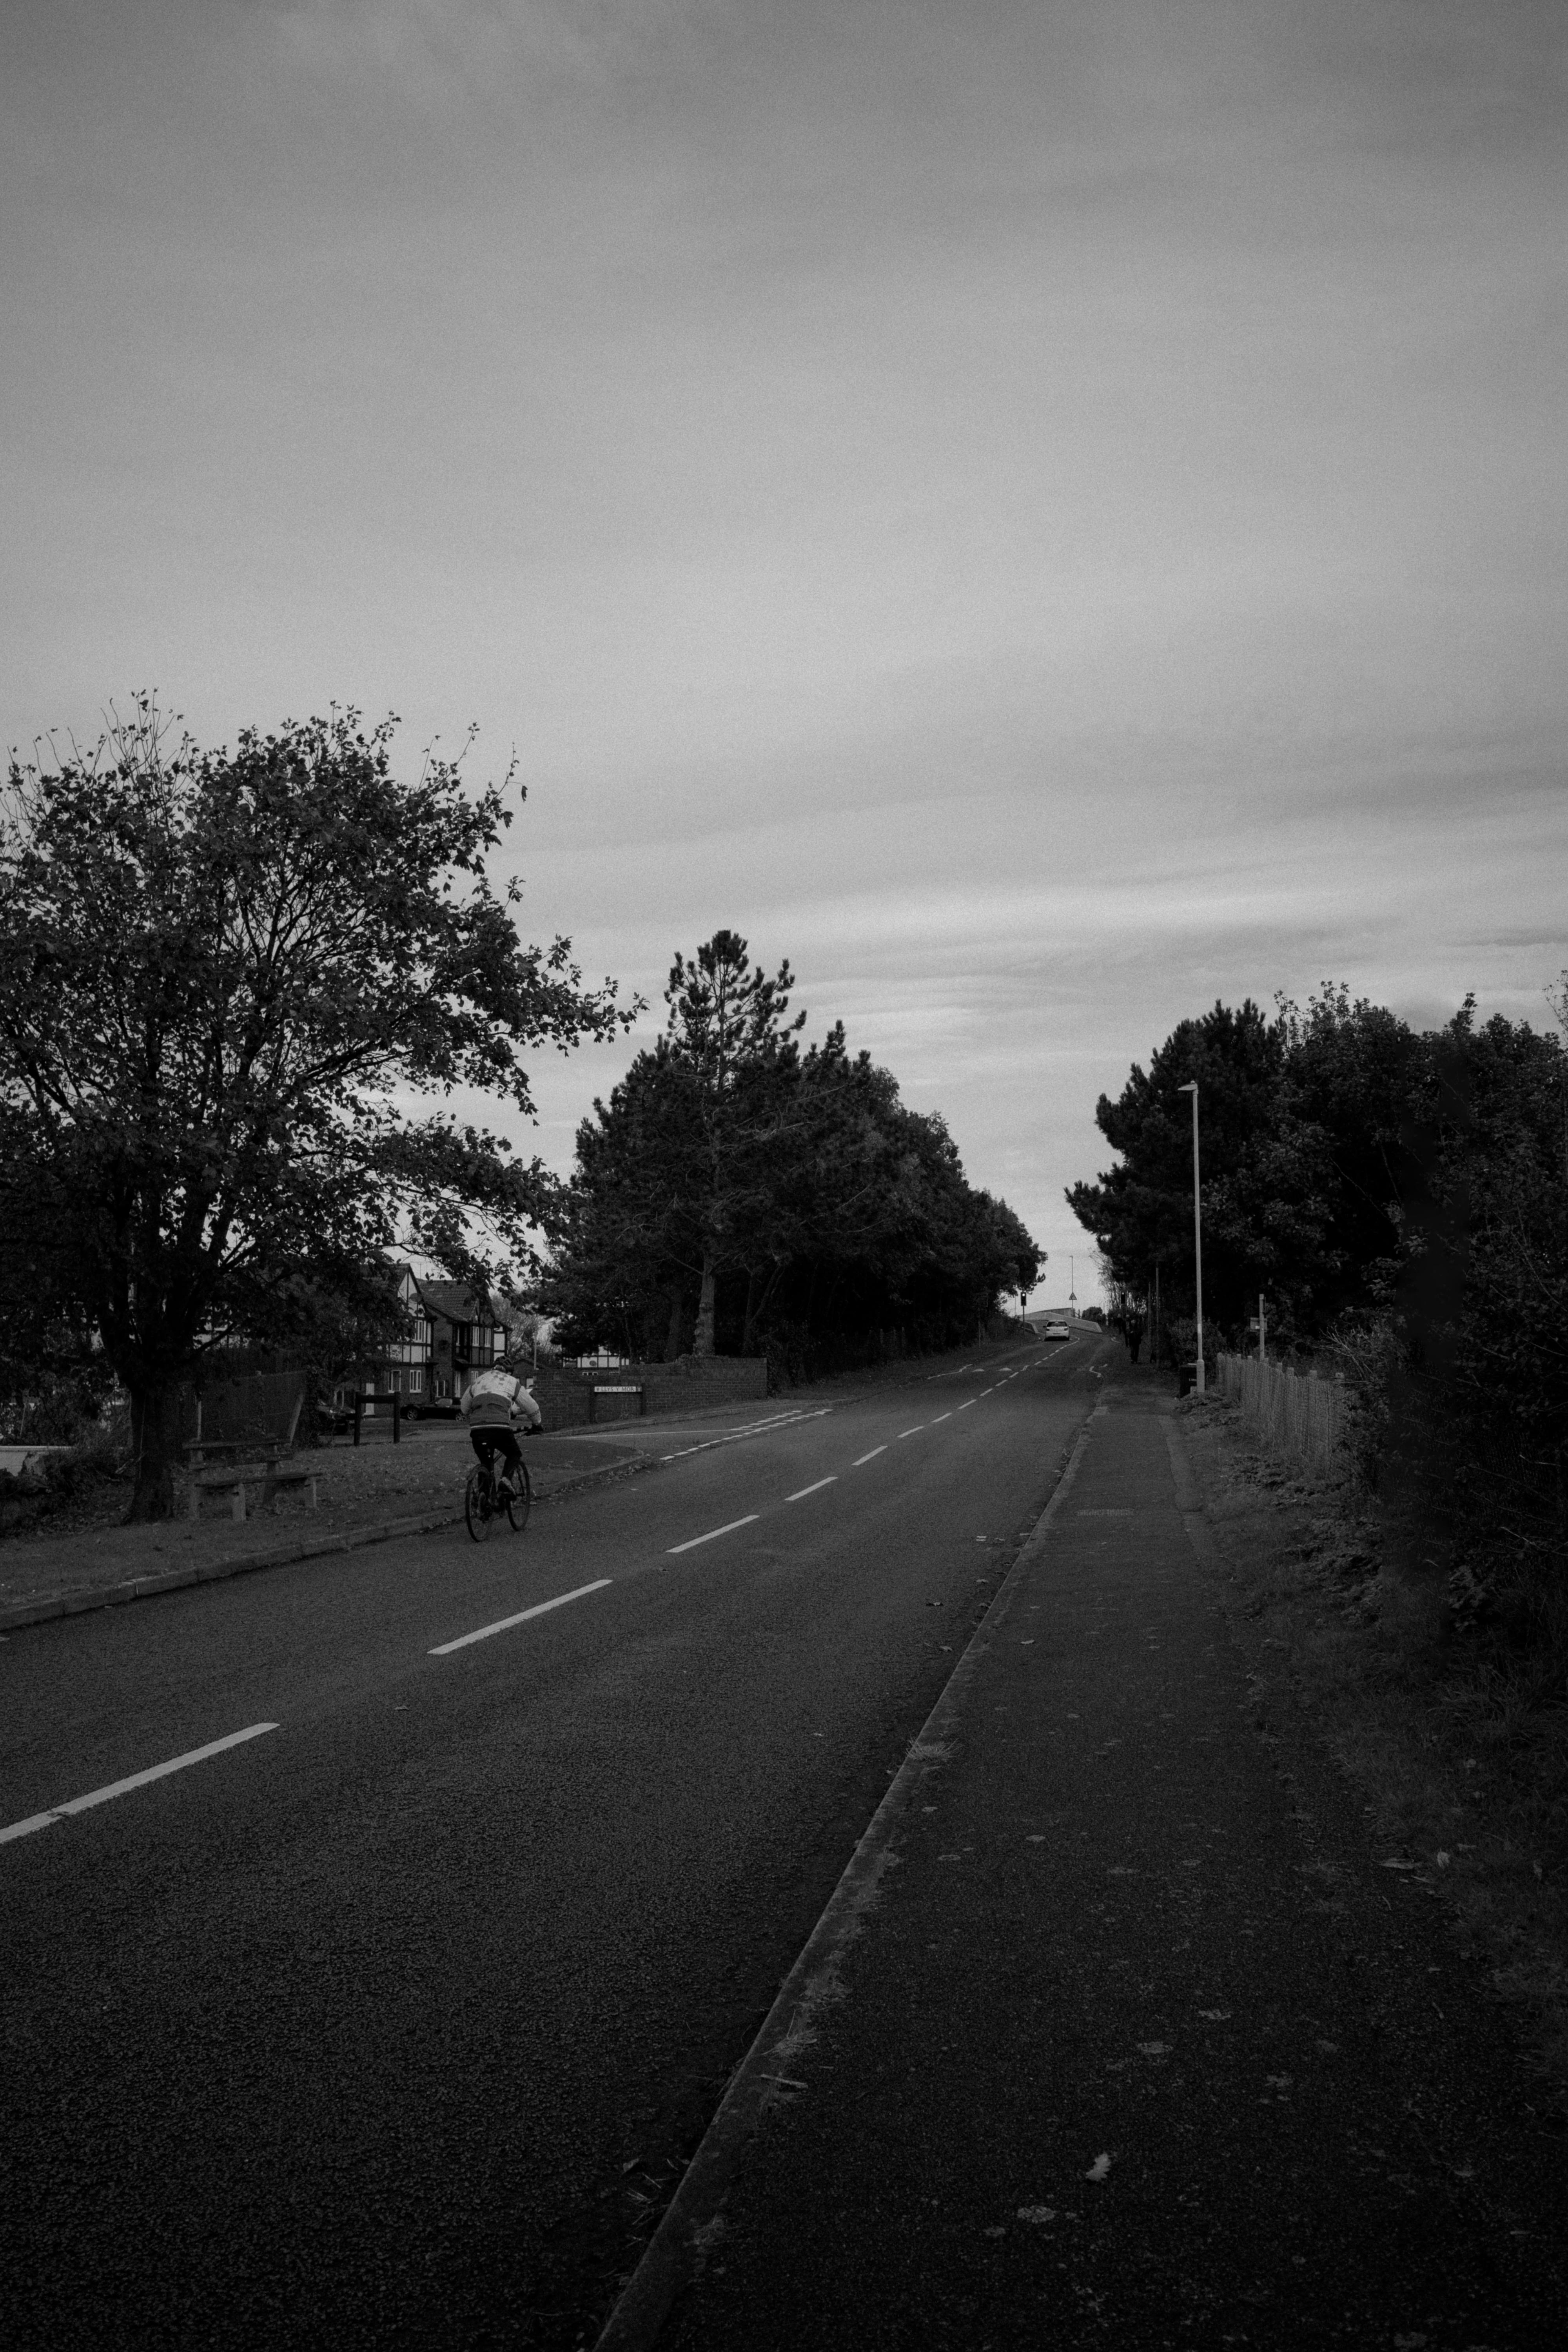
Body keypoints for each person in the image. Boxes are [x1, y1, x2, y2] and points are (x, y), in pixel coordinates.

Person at [459, 1354, 542, 1495]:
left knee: (486, 1462)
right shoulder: (511, 1381)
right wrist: (537, 1424)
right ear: (509, 1372)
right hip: (499, 1428)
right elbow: (532, 1406)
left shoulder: (479, 1381)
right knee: (514, 1453)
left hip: (477, 1430)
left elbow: (464, 1408)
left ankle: (483, 1500)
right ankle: (505, 1481)